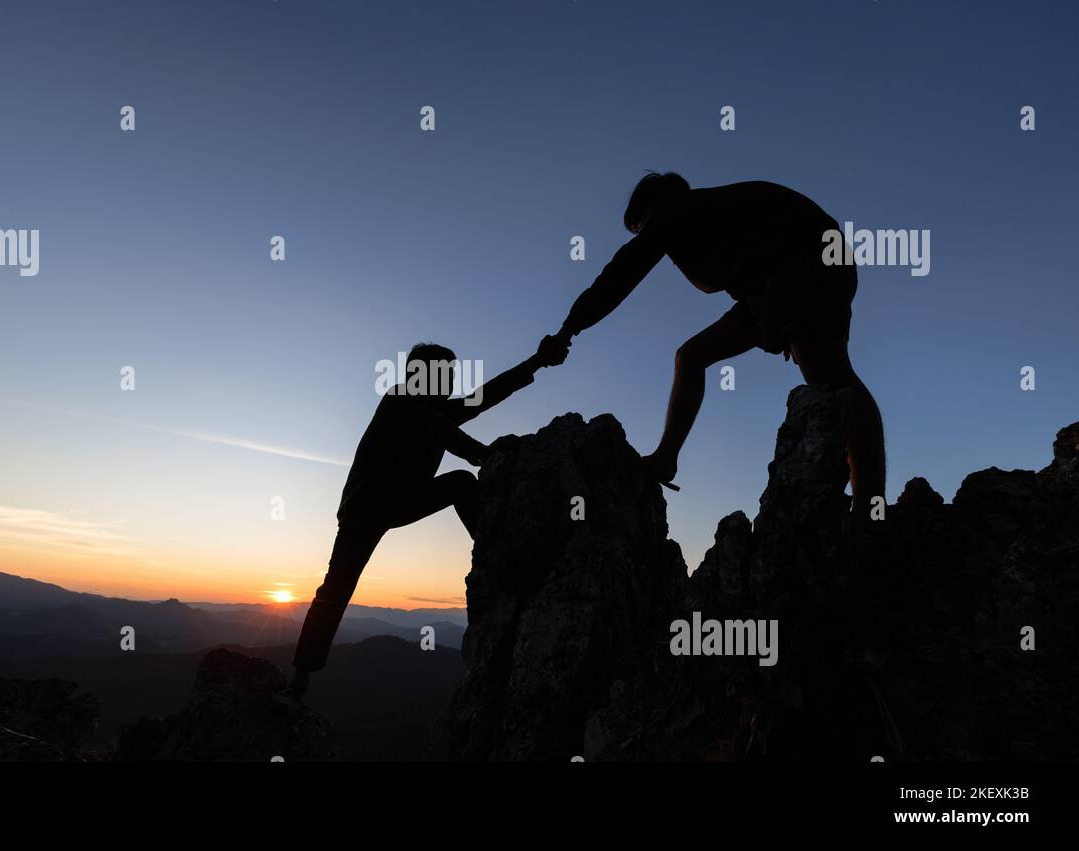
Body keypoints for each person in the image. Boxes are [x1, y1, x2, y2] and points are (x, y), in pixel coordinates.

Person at [544, 173, 885, 513]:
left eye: (643, 228)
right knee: (691, 356)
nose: (649, 238)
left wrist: (568, 329)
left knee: (831, 376)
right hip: (779, 280)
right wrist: (775, 311)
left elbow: (619, 275)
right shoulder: (708, 216)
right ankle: (666, 458)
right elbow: (757, 254)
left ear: (657, 207)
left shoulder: (677, 213)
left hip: (812, 262)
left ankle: (870, 504)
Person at [285, 338, 565, 702]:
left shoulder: (433, 408)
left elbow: (483, 396)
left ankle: (492, 553)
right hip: (365, 509)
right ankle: (299, 680)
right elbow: (442, 430)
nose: (450, 380)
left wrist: (536, 363)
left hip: (400, 500)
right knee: (337, 588)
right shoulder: (401, 400)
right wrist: (485, 452)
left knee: (460, 485)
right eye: (444, 374)